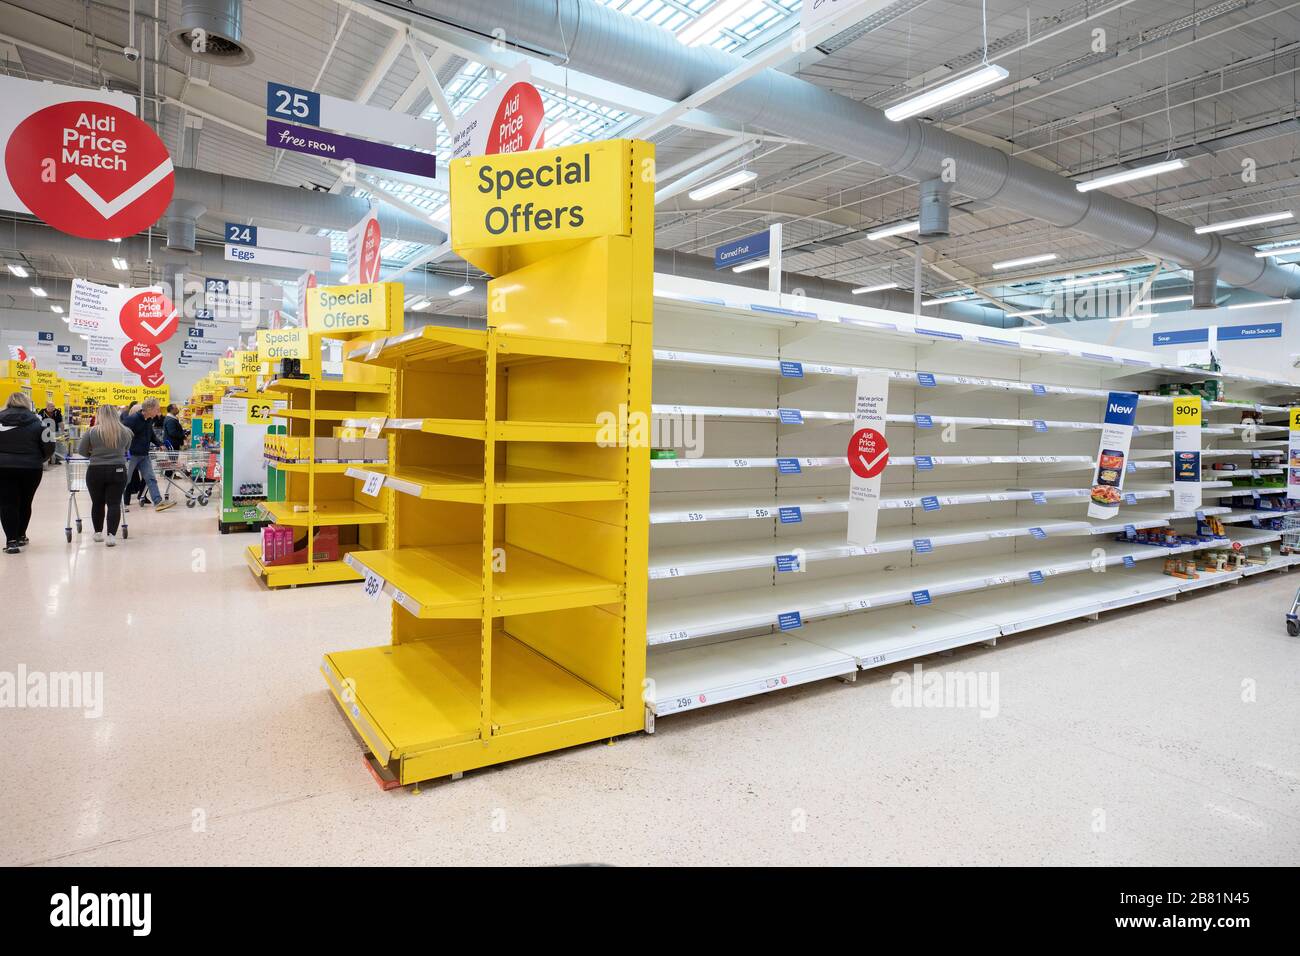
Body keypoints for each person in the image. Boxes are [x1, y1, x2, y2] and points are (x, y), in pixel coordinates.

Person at [0, 392, 55, 553]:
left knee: (7, 503)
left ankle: (11, 541)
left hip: (3, 468)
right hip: (31, 468)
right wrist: (40, 458)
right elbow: (49, 444)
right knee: (25, 502)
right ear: (26, 403)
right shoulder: (38, 421)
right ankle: (21, 535)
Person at [77, 403, 131, 546]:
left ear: (99, 415)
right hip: (118, 470)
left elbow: (81, 451)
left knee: (97, 503)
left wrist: (94, 452)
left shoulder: (91, 432)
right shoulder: (126, 431)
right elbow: (126, 449)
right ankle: (111, 536)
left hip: (95, 470)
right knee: (114, 503)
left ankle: (98, 533)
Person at [121, 398, 175, 512]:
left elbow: (151, 435)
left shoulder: (149, 420)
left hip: (144, 455)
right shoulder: (132, 420)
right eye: (157, 408)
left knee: (151, 478)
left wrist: (160, 444)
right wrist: (125, 451)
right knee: (126, 480)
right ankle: (118, 503)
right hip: (132, 455)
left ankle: (158, 502)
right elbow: (122, 436)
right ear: (149, 409)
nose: (159, 411)